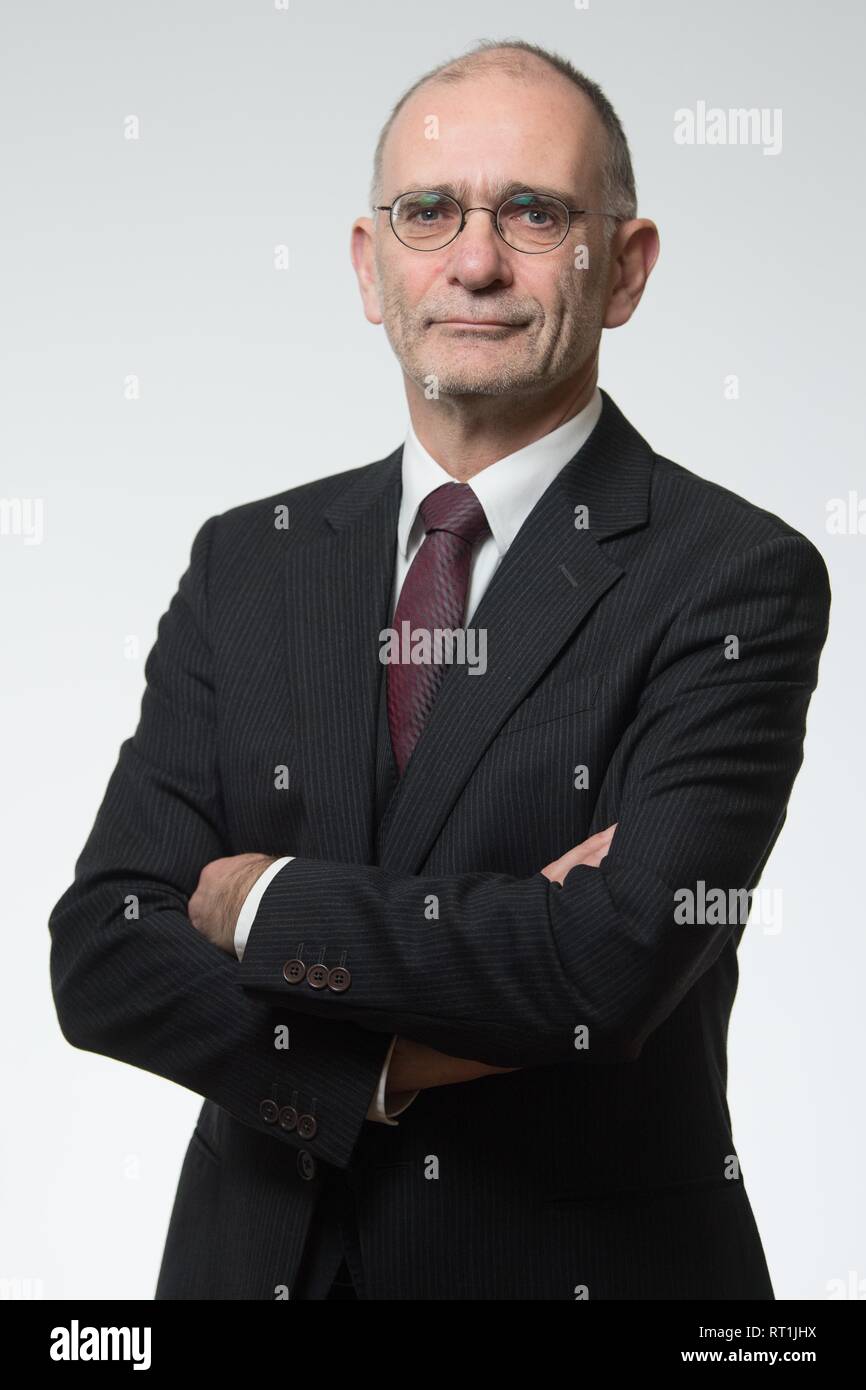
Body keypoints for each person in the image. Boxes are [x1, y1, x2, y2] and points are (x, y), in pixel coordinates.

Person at [49, 38, 831, 1300]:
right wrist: (376, 1066)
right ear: (372, 267)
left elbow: (612, 960)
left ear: (622, 269)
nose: (473, 260)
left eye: (532, 211)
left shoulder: (733, 575)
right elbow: (101, 952)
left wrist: (254, 905)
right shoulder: (250, 561)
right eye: (429, 213)